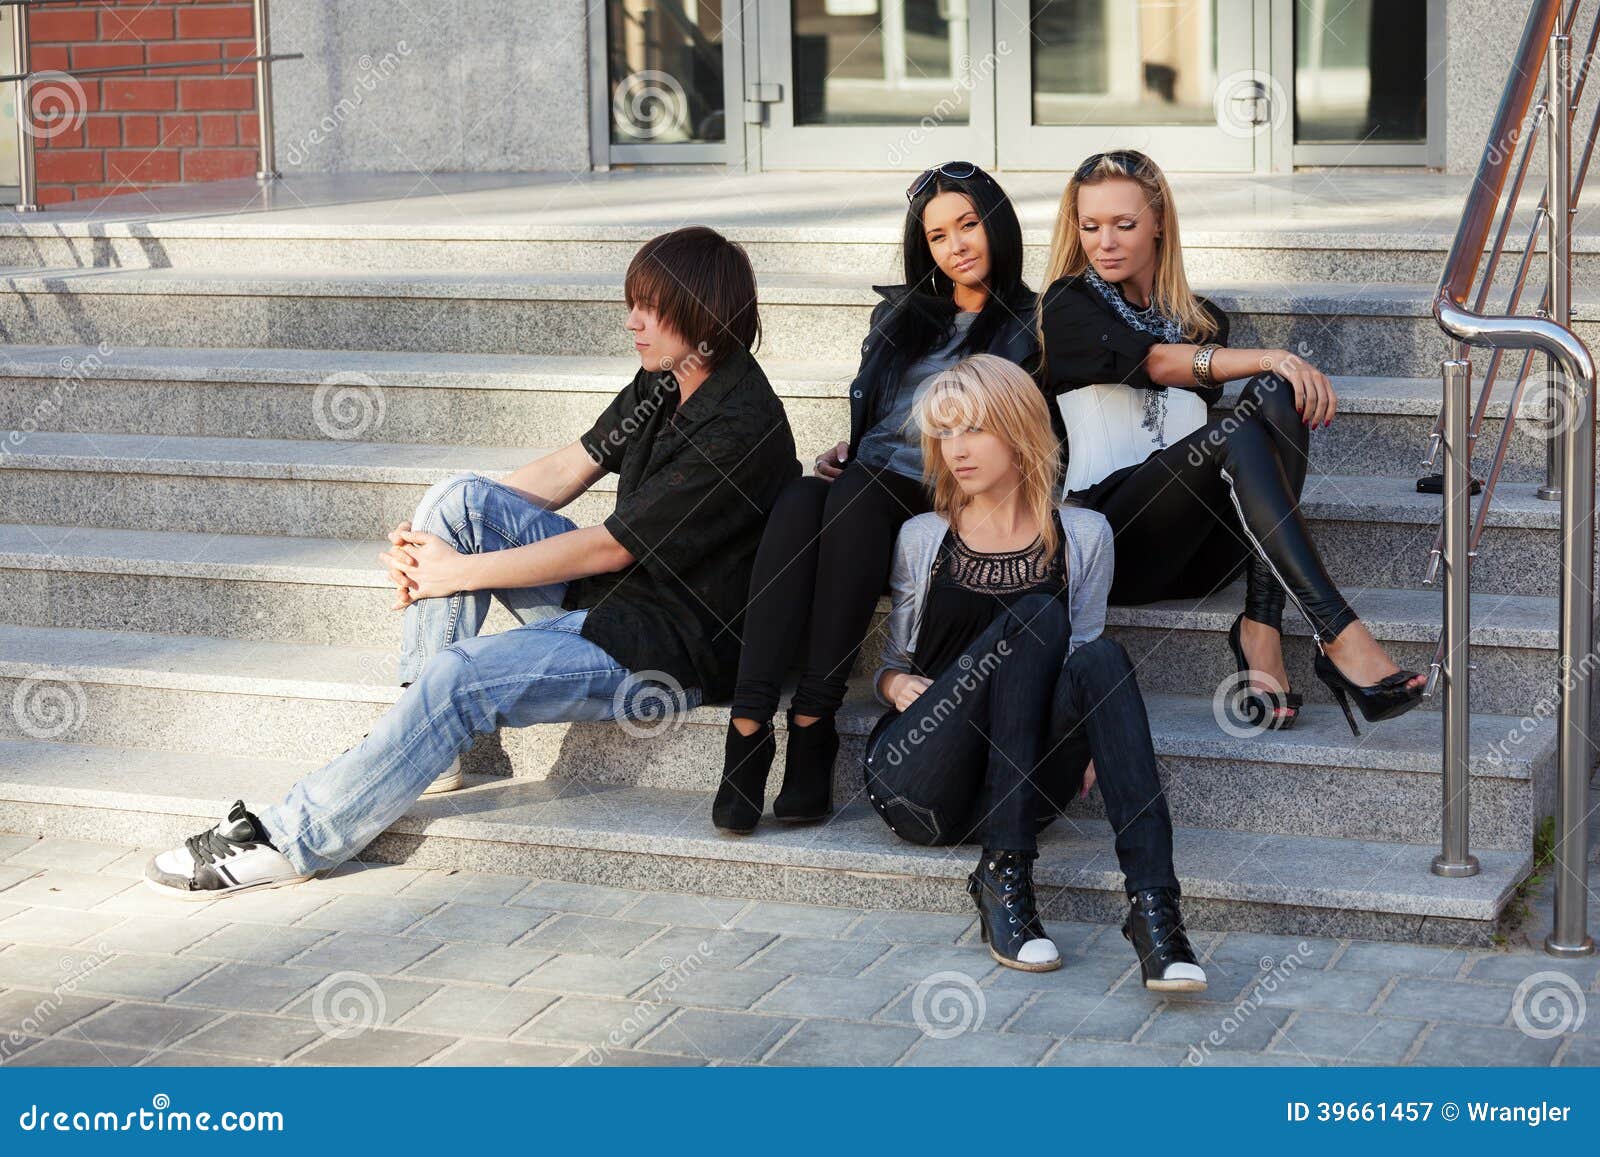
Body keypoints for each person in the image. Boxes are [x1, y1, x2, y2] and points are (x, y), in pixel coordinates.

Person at [143, 226, 800, 899]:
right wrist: (431, 548)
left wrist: (456, 573)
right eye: (631, 300)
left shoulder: (739, 425)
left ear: (702, 314)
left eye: (649, 307)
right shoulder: (670, 377)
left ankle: (292, 838)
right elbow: (568, 467)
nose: (631, 319)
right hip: (622, 598)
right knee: (457, 499)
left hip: (668, 650)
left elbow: (611, 543)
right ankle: (423, 744)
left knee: (459, 674)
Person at [1037, 149, 1425, 736]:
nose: (1104, 242)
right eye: (1089, 226)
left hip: (1203, 554)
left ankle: (1259, 620)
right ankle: (1337, 632)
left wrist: (1273, 369)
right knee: (1253, 399)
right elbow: (1156, 363)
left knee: (1274, 391)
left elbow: (1192, 364)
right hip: (1116, 540)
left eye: (1124, 223)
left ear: (1160, 221)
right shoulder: (1066, 305)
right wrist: (1269, 353)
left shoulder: (1203, 321)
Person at [713, 161, 1045, 834]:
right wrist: (849, 445)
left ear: (998, 224)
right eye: (937, 235)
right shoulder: (900, 315)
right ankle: (750, 723)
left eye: (969, 225)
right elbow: (885, 416)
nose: (955, 245)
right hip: (866, 483)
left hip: (940, 491)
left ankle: (814, 712)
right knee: (802, 498)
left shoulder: (1031, 323)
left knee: (856, 491)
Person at [863, 353, 1205, 989]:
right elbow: (892, 665)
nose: (956, 450)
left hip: (1019, 787)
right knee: (1036, 618)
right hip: (923, 771)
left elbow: (1084, 653)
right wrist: (897, 685)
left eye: (974, 429)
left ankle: (1156, 910)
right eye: (944, 433)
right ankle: (1003, 872)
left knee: (1100, 657)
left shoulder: (1084, 535)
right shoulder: (922, 537)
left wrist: (1099, 724)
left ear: (1019, 429)